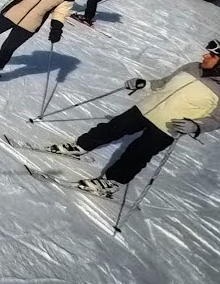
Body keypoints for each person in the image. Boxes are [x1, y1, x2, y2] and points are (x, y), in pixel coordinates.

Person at [44, 40, 220, 197]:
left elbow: (216, 119)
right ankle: (80, 146)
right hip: (146, 108)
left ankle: (111, 182)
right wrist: (144, 84)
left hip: (170, 126)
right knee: (112, 128)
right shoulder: (191, 67)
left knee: (138, 153)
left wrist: (196, 126)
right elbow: (163, 83)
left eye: (212, 55)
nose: (205, 55)